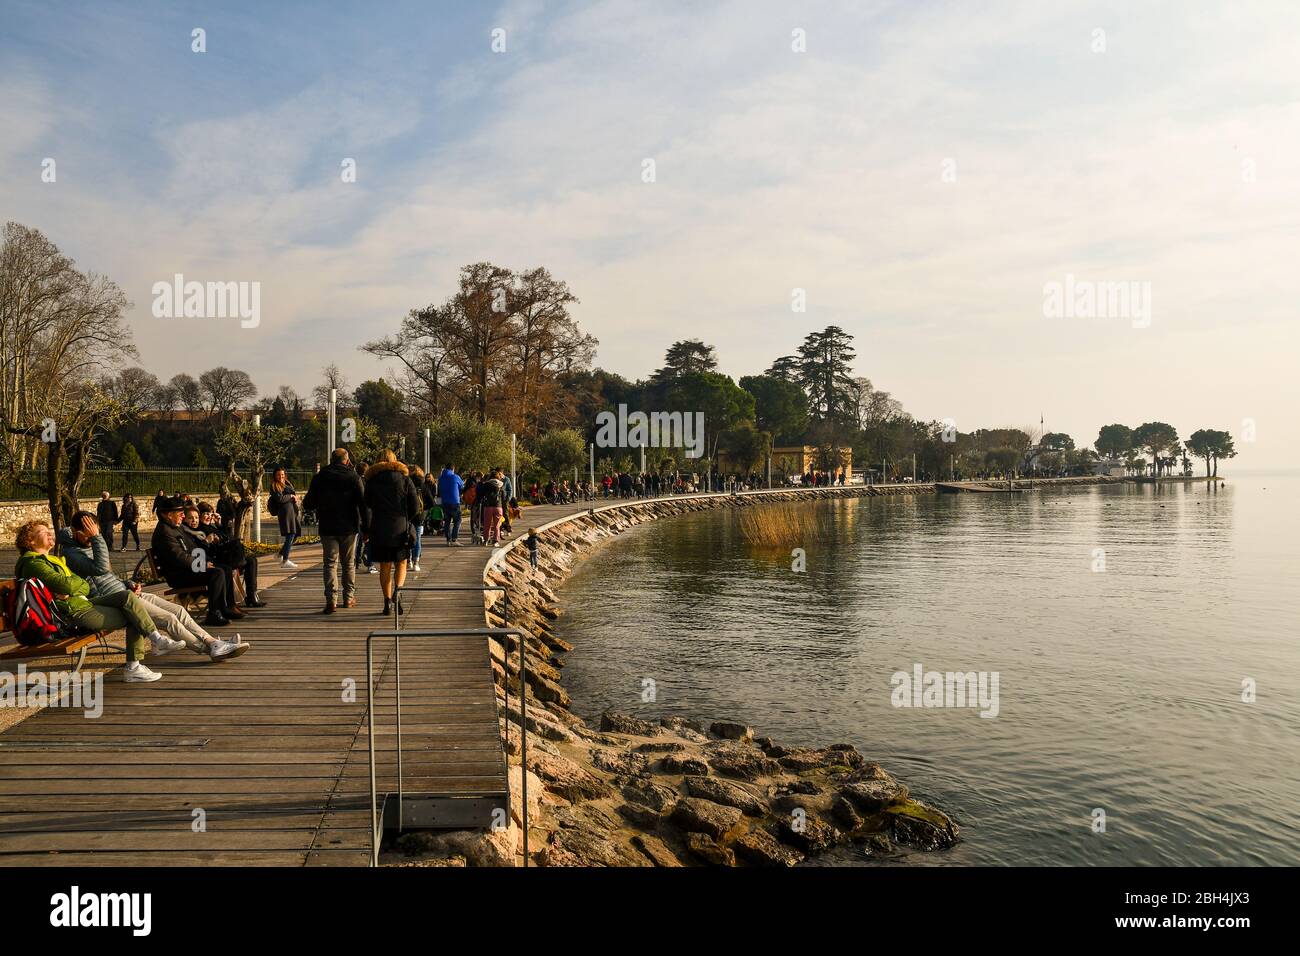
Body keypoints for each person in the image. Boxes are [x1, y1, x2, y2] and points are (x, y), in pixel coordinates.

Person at [57, 514, 247, 661]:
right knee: (169, 619)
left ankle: (214, 642)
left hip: (124, 593)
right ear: (75, 531)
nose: (92, 536)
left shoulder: (86, 545)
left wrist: (128, 583)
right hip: (114, 601)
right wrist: (98, 537)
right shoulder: (72, 553)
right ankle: (209, 649)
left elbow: (107, 576)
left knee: (179, 610)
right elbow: (99, 569)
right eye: (88, 533)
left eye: (94, 532)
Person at [15, 520, 172, 683]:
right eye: (43, 531)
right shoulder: (33, 563)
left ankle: (155, 641)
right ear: (30, 541)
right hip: (72, 613)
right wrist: (70, 587)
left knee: (127, 597)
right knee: (133, 614)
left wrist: (71, 589)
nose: (49, 533)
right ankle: (135, 666)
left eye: (49, 530)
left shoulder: (52, 560)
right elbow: (66, 584)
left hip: (82, 602)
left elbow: (82, 586)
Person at [151, 496, 241, 627]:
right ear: (169, 515)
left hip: (188, 569)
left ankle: (226, 608)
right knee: (217, 573)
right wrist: (202, 564)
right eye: (181, 514)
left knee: (225, 569)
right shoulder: (165, 532)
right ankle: (214, 613)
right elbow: (179, 556)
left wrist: (206, 561)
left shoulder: (174, 527)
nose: (183, 517)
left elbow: (192, 548)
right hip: (179, 575)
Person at [303, 447, 369, 614]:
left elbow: (308, 503)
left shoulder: (320, 477)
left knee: (330, 563)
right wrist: (367, 528)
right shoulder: (354, 477)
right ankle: (348, 598)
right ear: (346, 460)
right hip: (349, 527)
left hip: (328, 525)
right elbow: (363, 504)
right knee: (348, 563)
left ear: (331, 460)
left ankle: (331, 600)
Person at [363, 449, 421, 616]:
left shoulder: (372, 480)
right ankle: (399, 590)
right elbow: (415, 506)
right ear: (394, 461)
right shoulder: (404, 478)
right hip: (400, 527)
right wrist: (406, 518)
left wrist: (367, 528)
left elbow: (367, 504)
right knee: (401, 562)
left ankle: (387, 602)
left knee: (385, 566)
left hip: (379, 527)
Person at [268, 467, 300, 569]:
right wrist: (291, 496)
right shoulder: (274, 486)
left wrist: (294, 498)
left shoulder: (287, 483)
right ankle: (285, 560)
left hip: (292, 512)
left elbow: (291, 495)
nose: (281, 476)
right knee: (290, 535)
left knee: (295, 535)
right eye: (278, 475)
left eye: (282, 474)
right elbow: (280, 499)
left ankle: (280, 555)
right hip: (285, 513)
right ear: (275, 476)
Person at [437, 463, 464, 547]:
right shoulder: (455, 477)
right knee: (458, 520)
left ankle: (448, 540)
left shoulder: (441, 478)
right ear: (453, 469)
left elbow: (439, 488)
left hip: (445, 502)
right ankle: (454, 539)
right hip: (454, 502)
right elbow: (462, 487)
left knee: (447, 522)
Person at [408, 466, 427, 572]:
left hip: (408, 515)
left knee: (408, 537)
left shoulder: (406, 481)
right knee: (418, 538)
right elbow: (431, 501)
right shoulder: (422, 485)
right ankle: (416, 562)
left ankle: (408, 560)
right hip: (419, 515)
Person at [479, 471, 504, 546]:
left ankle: (486, 540)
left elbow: (481, 493)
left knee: (487, 524)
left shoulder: (486, 484)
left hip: (488, 506)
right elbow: (504, 496)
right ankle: (495, 541)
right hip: (498, 506)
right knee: (497, 525)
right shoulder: (501, 484)